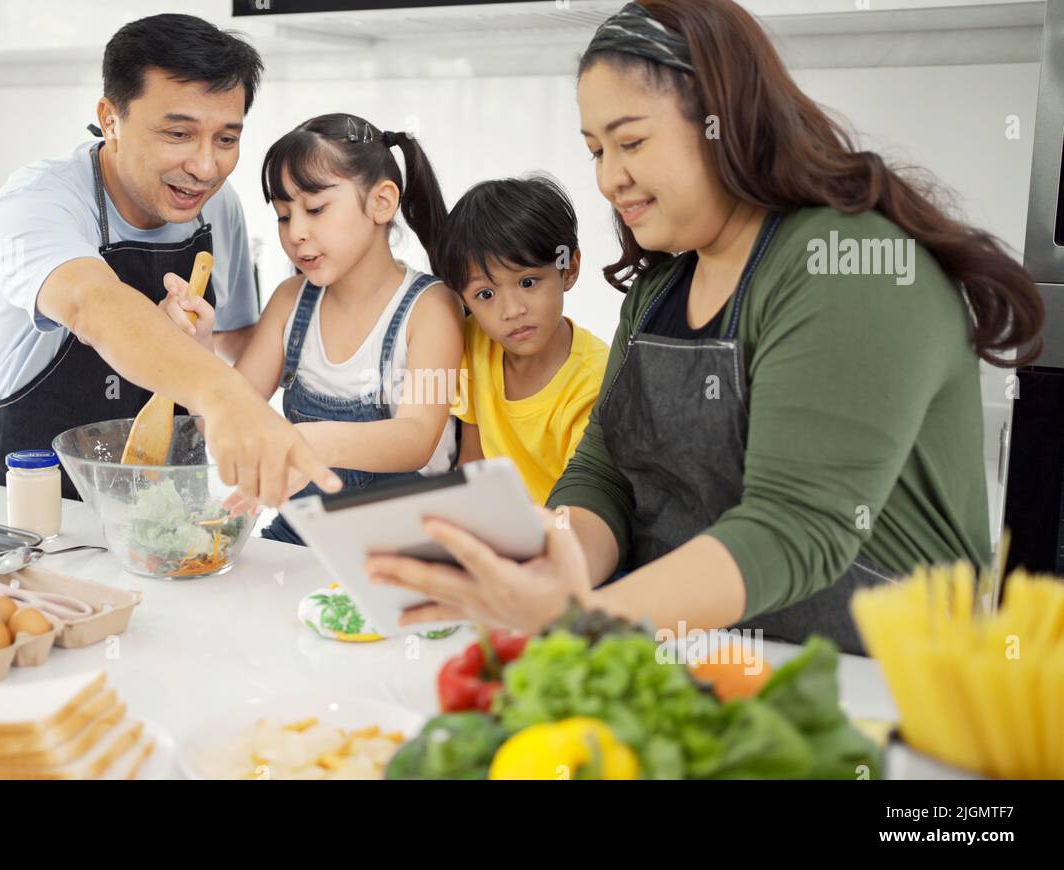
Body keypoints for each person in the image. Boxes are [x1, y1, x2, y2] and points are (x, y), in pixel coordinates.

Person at [365, 0, 1044, 655]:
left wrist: (585, 616)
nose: (607, 178)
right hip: (698, 659)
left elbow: (795, 528)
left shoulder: (849, 265)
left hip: (881, 687)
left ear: (727, 119)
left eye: (630, 141)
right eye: (596, 149)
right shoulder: (663, 288)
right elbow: (605, 472)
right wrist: (556, 560)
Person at [0, 13, 339, 504]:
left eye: (227, 139)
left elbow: (237, 340)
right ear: (111, 120)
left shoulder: (216, 205)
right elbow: (93, 304)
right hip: (42, 511)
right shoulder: (39, 202)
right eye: (178, 135)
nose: (206, 166)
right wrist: (220, 396)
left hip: (169, 511)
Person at [228, 114, 463, 545]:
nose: (296, 232)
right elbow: (230, 411)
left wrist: (310, 441)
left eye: (315, 209)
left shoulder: (433, 310)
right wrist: (196, 346)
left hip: (408, 540)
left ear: (381, 202)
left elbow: (417, 438)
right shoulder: (288, 301)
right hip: (304, 532)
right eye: (283, 216)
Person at [434, 175, 609, 504]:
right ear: (464, 299)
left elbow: (588, 505)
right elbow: (472, 460)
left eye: (528, 282)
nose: (512, 310)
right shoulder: (473, 342)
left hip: (567, 536)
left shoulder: (594, 382)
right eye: (485, 293)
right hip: (496, 529)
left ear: (568, 269)